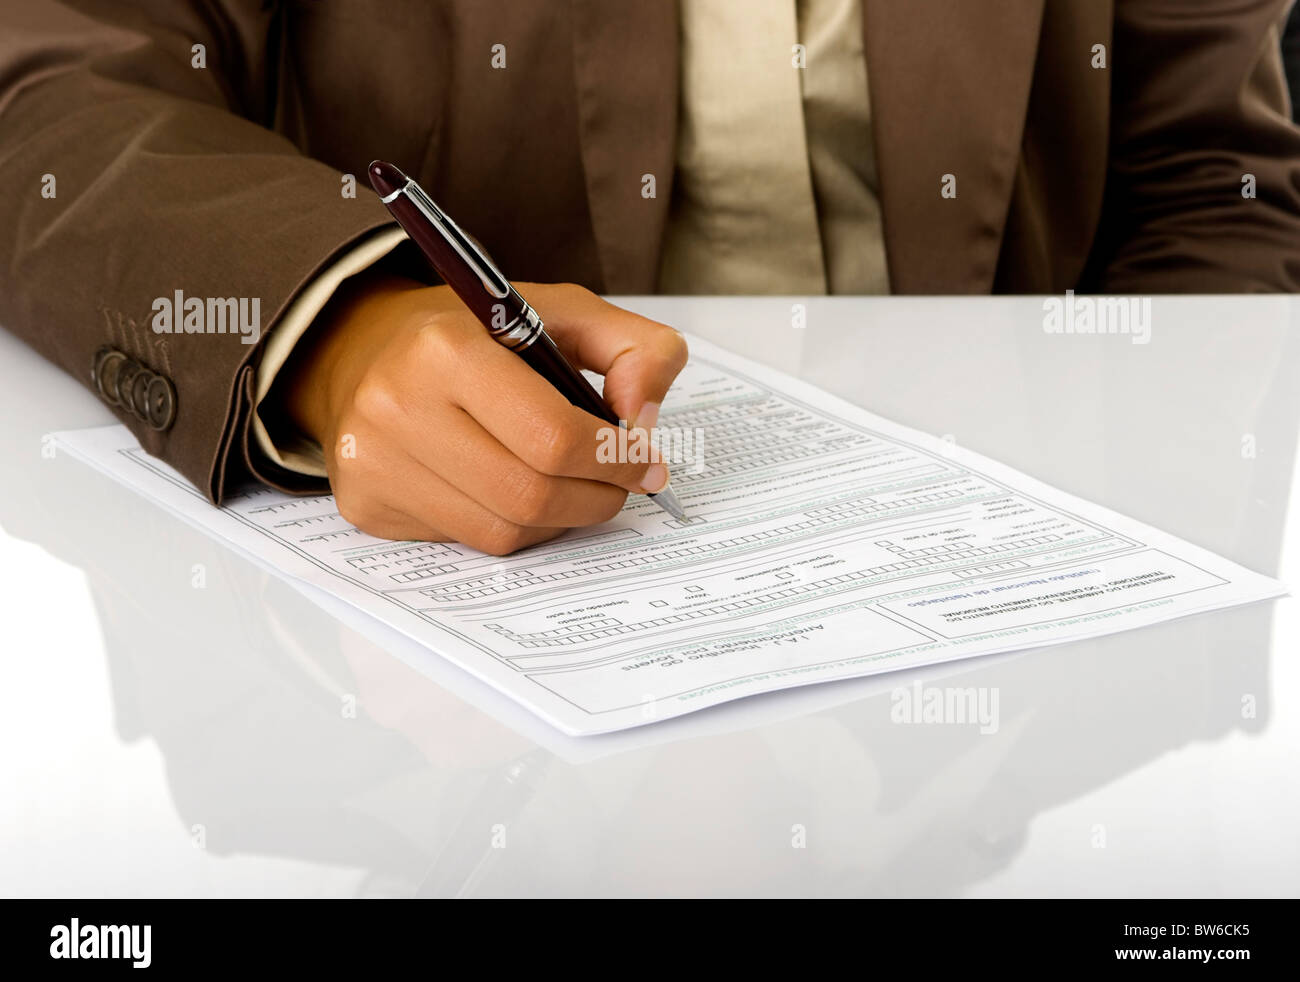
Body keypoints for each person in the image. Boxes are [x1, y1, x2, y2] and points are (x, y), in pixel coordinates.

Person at [2, 0, 1298, 554]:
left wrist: (1147, 503)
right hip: (423, 617)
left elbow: (1211, 180)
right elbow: (56, 91)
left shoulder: (1075, 792)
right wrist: (335, 327)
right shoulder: (304, 822)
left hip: (984, 566)